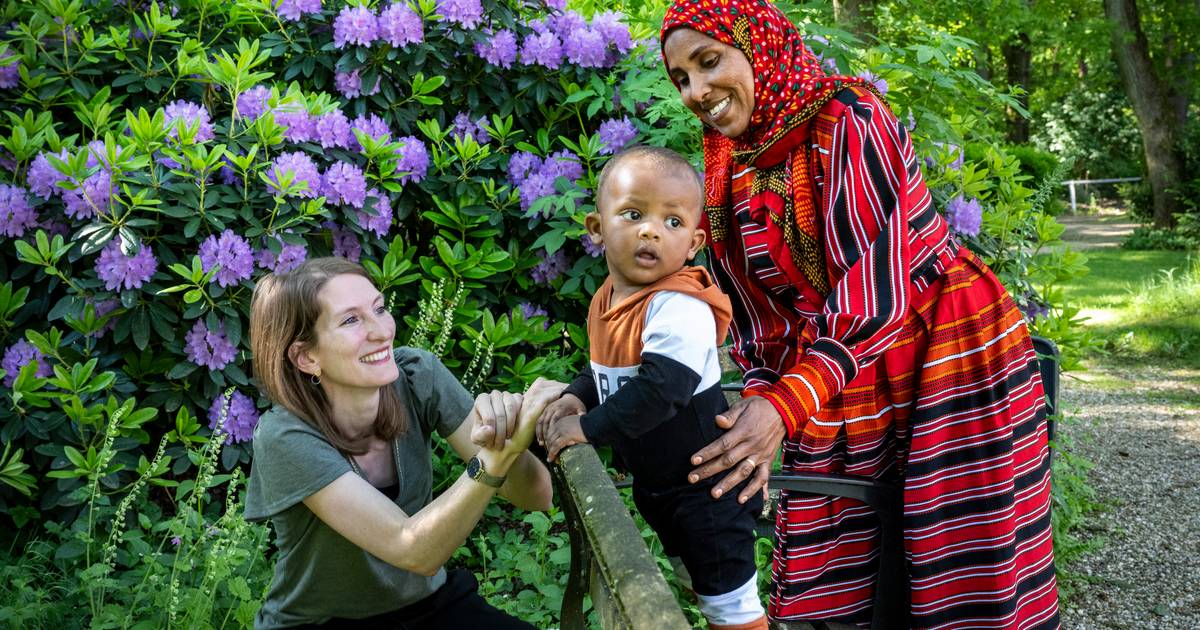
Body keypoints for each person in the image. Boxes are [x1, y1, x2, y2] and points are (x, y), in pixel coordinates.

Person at [659, 1, 1060, 628]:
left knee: (961, 566)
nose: (696, 90)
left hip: (943, 351)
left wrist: (786, 406)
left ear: (758, 48)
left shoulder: (849, 118)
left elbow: (873, 292)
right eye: (681, 77)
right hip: (845, 369)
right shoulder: (726, 163)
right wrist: (764, 396)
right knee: (842, 581)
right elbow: (760, 311)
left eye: (709, 62)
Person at [243, 256, 561, 629]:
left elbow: (536, 496)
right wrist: (492, 460)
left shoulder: (416, 377)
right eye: (351, 320)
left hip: (428, 606)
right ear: (307, 357)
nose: (381, 331)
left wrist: (510, 433)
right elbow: (412, 549)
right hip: (323, 623)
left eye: (379, 309)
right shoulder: (284, 436)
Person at [537, 145, 767, 630]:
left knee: (732, 610)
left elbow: (662, 389)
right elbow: (610, 366)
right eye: (633, 214)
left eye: (673, 222)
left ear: (694, 243)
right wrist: (580, 392)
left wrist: (588, 427)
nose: (651, 230)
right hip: (663, 488)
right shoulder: (611, 299)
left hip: (708, 491)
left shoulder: (679, 305)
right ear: (596, 228)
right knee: (699, 586)